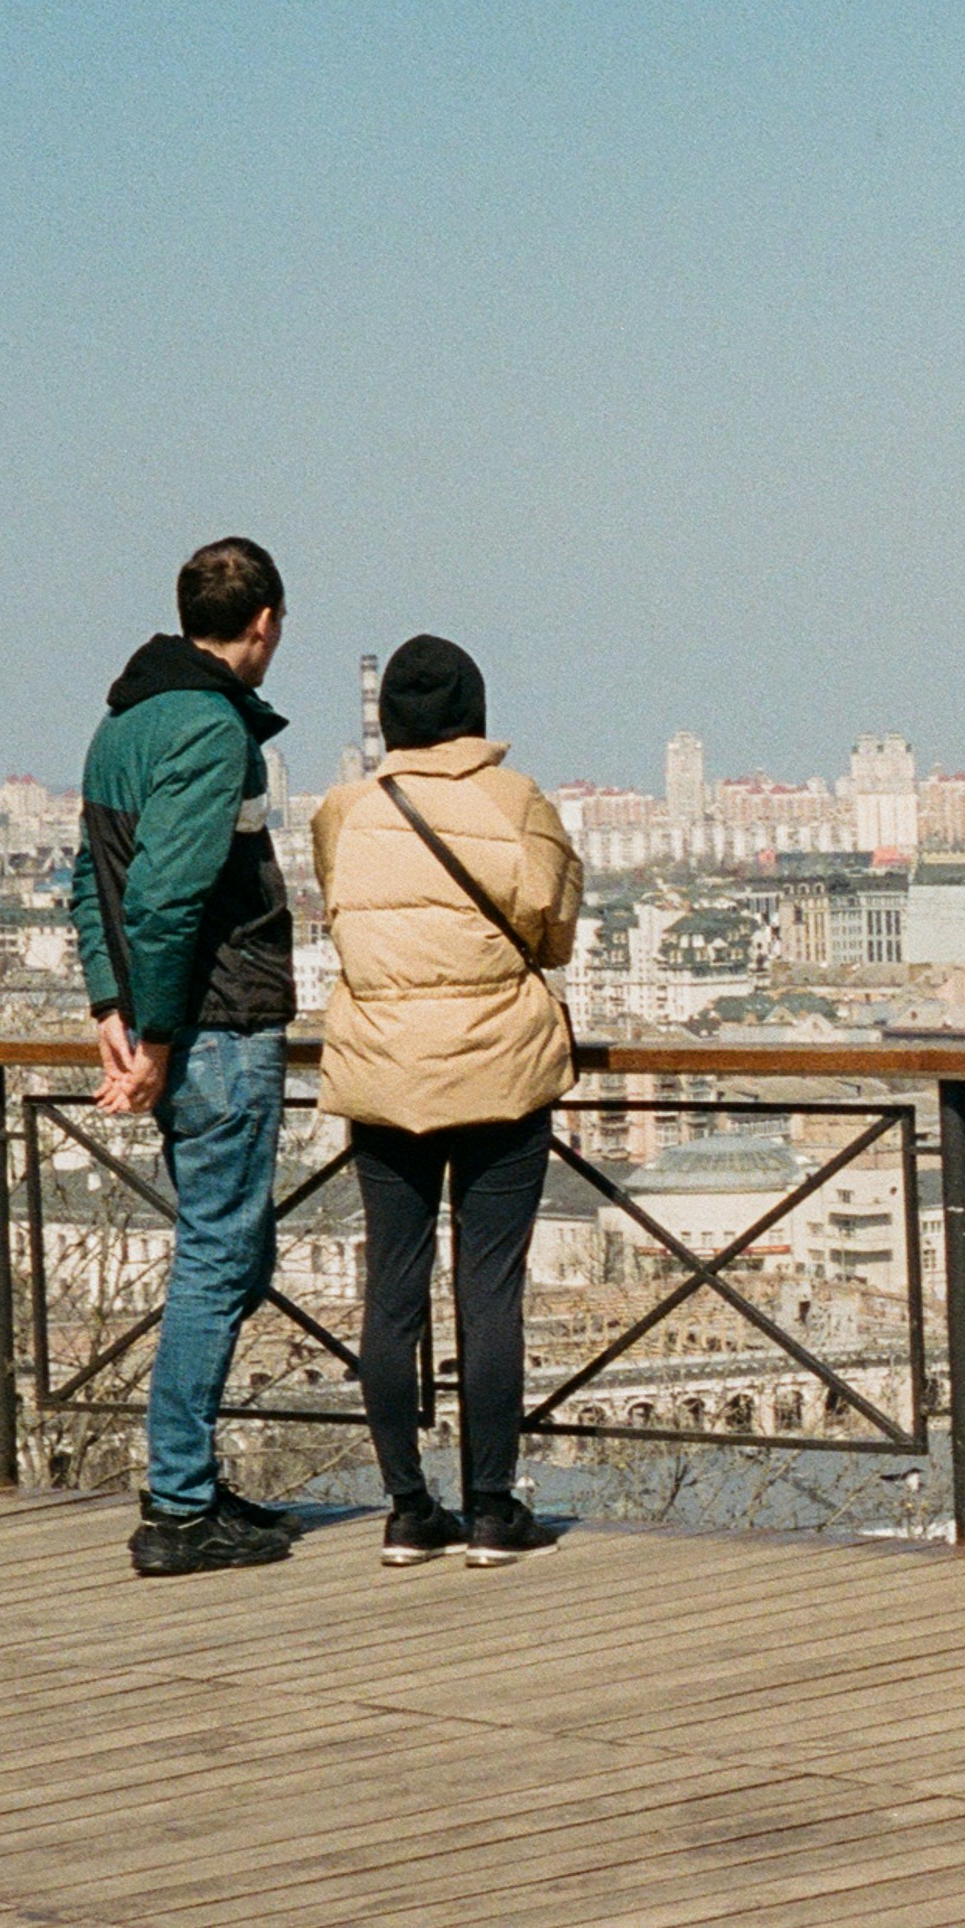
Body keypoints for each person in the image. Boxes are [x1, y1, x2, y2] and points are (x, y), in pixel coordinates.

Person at [311, 636, 584, 1572]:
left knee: (391, 1289)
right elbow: (554, 934)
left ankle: (404, 1509)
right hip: (499, 1069)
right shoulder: (516, 803)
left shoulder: (345, 811)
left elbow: (343, 918)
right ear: (477, 709)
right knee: (489, 1287)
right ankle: (494, 1510)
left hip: (384, 1074)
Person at [71, 537, 303, 1579]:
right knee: (221, 1258)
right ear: (265, 624)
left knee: (226, 1254)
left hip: (175, 1021)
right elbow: (163, 896)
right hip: (218, 1028)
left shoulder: (123, 724)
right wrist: (156, 1039)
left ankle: (191, 1483)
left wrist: (110, 1004)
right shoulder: (212, 730)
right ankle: (175, 1502)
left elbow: (93, 882)